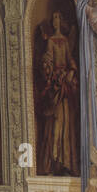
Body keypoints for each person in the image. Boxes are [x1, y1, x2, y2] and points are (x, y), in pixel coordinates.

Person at [38, 11, 78, 176]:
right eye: (53, 17)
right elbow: (46, 62)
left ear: (61, 20)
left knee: (66, 124)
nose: (55, 20)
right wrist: (52, 73)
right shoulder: (50, 42)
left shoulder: (66, 41)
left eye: (57, 17)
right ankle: (52, 163)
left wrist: (71, 73)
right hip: (55, 87)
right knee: (55, 124)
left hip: (65, 87)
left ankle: (66, 163)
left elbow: (71, 61)